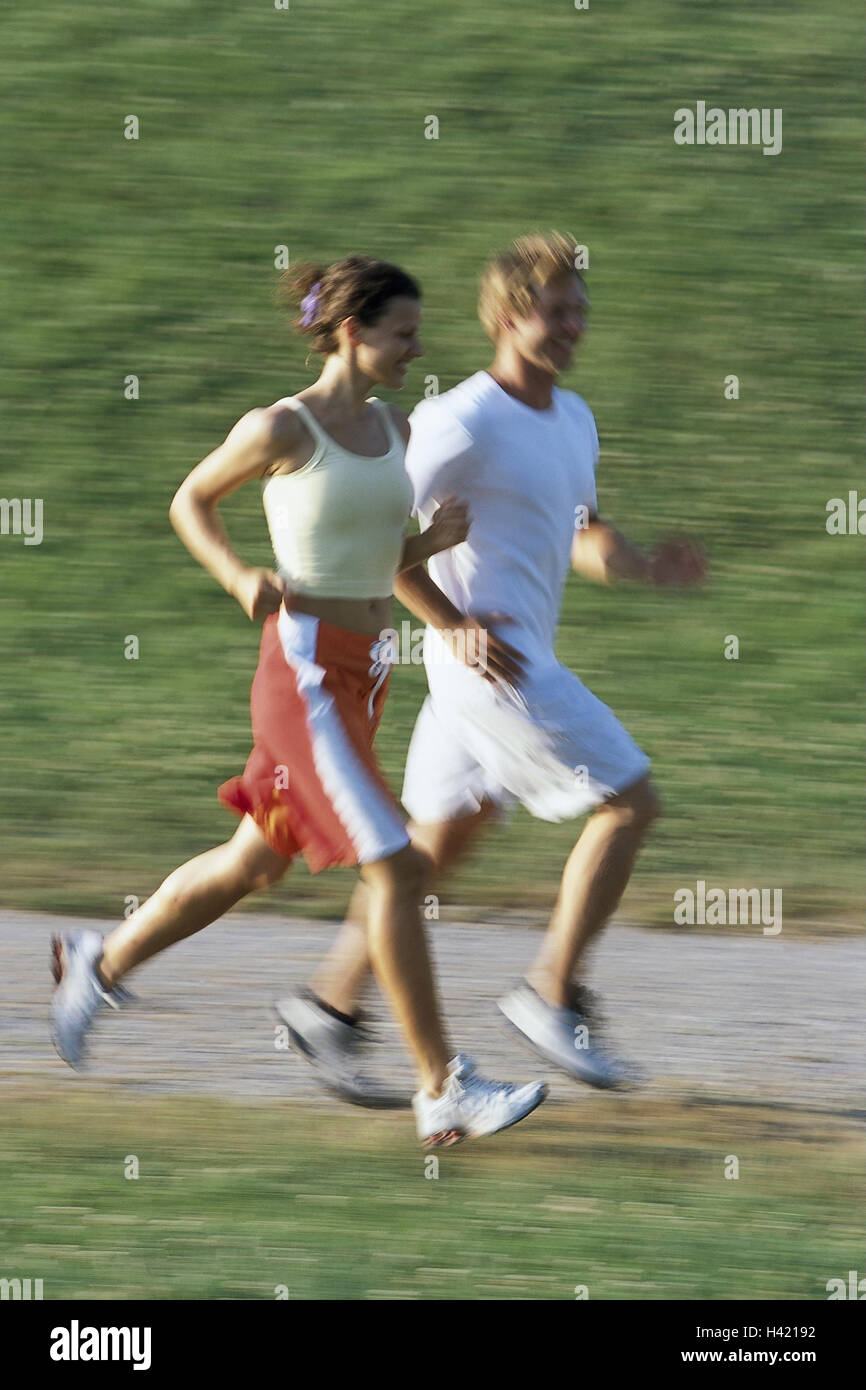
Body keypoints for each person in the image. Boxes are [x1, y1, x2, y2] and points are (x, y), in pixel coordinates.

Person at [50, 254, 547, 1148]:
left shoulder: (394, 427)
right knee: (393, 866)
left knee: (257, 860)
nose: (415, 348)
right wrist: (238, 573)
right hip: (305, 675)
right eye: (403, 333)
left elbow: (382, 558)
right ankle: (443, 1089)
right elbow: (191, 499)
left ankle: (101, 960)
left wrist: (428, 547)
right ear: (353, 333)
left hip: (367, 672)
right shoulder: (283, 427)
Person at [278, 232, 707, 1103]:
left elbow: (581, 530)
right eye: (558, 311)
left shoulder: (575, 418)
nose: (576, 325)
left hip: (511, 658)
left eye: (582, 310)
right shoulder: (457, 420)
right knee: (630, 802)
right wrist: (450, 622)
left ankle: (326, 1007)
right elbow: (380, 543)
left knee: (440, 839)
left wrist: (644, 566)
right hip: (488, 663)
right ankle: (551, 993)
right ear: (511, 319)